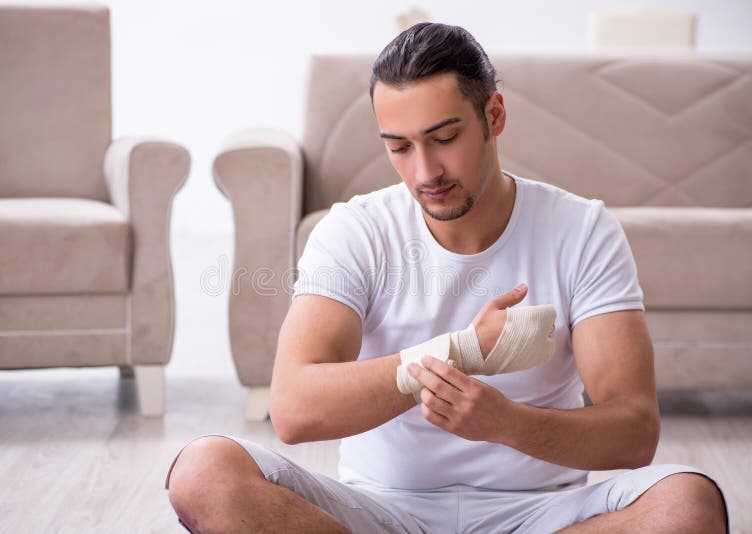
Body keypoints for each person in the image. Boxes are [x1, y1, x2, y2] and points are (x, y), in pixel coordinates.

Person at [165, 23, 728, 533]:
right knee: (203, 473)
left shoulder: (581, 229)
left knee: (687, 505)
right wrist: (457, 353)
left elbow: (635, 431)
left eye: (444, 139)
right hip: (379, 512)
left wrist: (505, 423)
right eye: (400, 147)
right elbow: (292, 408)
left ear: (495, 116)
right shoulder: (356, 231)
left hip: (540, 516)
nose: (425, 171)